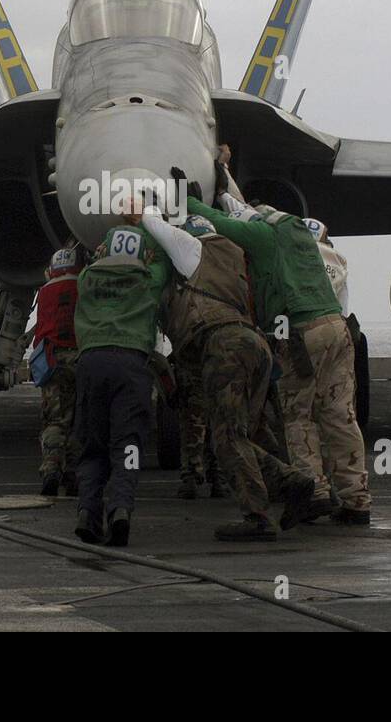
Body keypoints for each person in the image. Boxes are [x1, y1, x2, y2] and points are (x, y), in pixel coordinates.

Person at [188, 160, 371, 526]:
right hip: (337, 328)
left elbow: (224, 224)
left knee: (298, 416)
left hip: (301, 335)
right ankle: (356, 500)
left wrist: (189, 203)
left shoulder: (263, 236)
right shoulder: (299, 232)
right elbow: (242, 212)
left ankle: (315, 492)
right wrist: (225, 185)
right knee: (340, 415)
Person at [143, 200, 316, 541]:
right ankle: (292, 481)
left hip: (224, 346)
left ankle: (258, 518)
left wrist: (149, 204)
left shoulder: (193, 250)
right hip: (254, 345)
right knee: (239, 434)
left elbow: (154, 226)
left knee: (227, 438)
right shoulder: (235, 256)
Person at [71, 199, 171, 547]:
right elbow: (162, 256)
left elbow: (93, 262)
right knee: (127, 444)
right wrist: (144, 221)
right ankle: (120, 511)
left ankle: (87, 512)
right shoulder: (149, 279)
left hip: (90, 364)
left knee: (92, 444)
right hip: (131, 365)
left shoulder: (86, 278)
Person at [32, 245, 85, 496]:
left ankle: (51, 468)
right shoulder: (84, 283)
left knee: (54, 421)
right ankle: (73, 474)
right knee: (79, 421)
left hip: (53, 360)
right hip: (81, 358)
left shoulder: (45, 292)